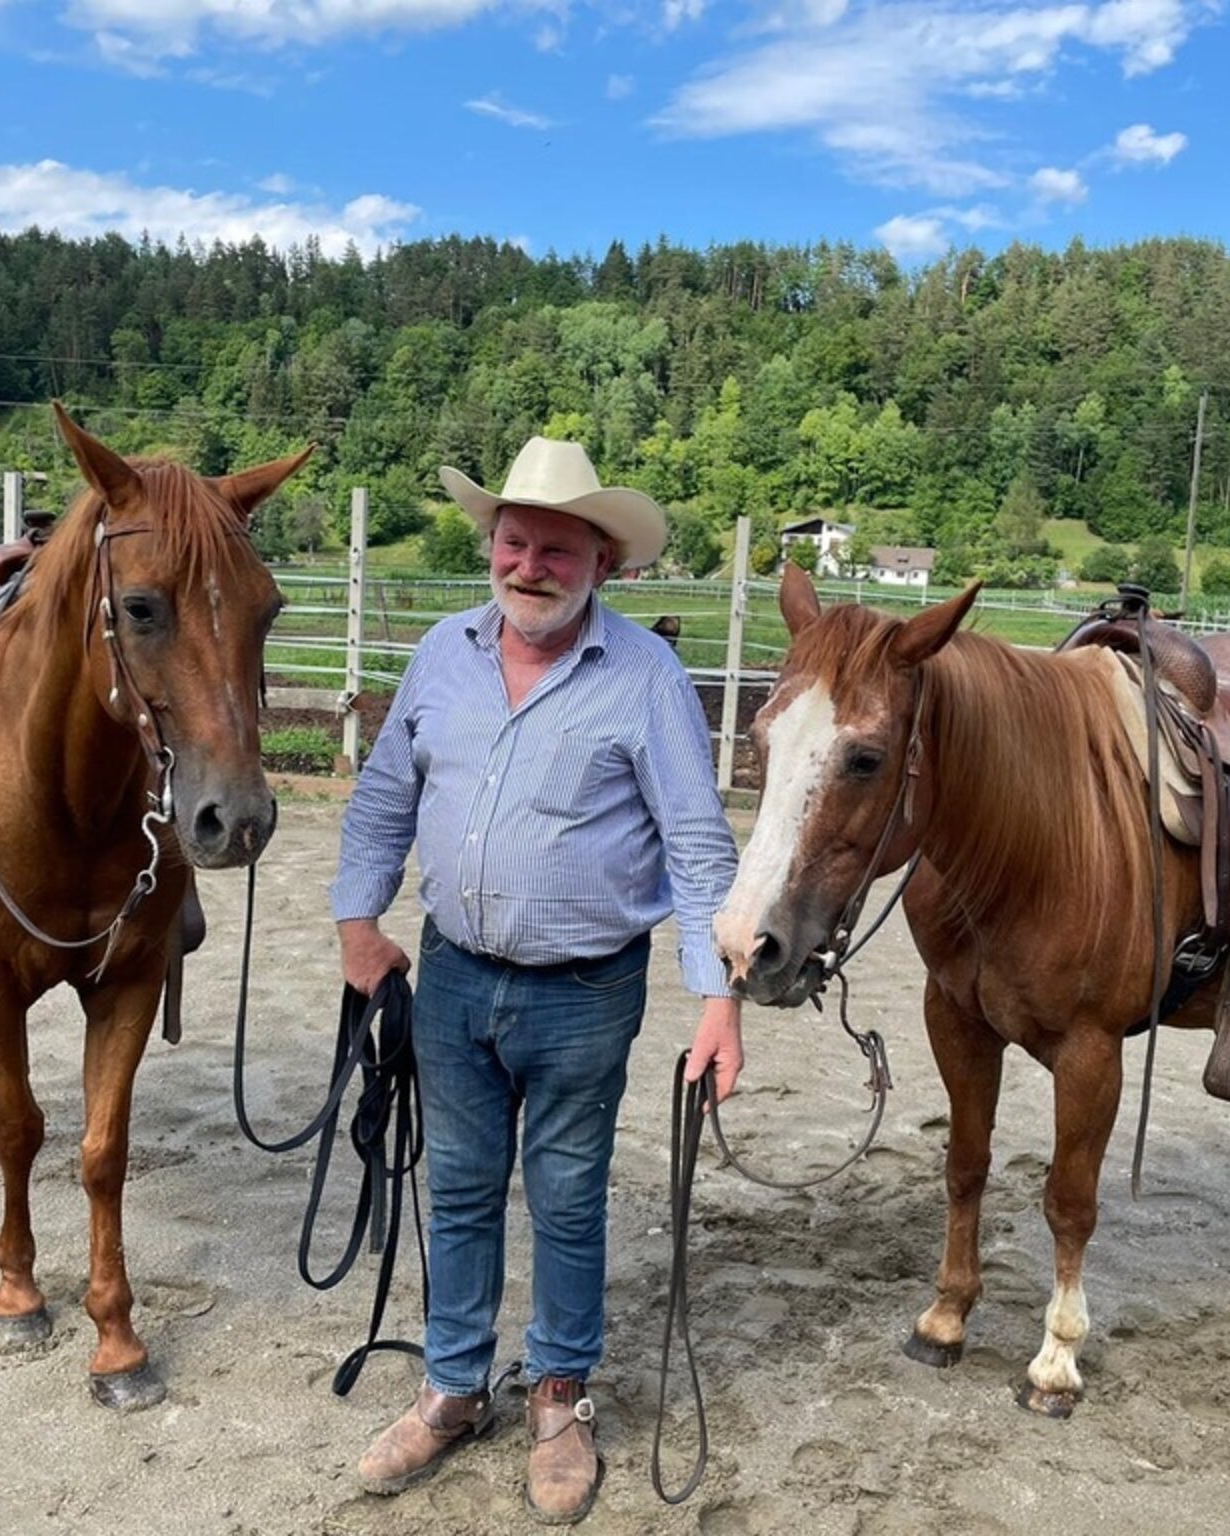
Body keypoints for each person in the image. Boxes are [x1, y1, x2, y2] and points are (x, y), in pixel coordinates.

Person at [331, 436, 743, 1524]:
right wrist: (354, 924)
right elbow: (382, 798)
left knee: (565, 1198)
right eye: (514, 542)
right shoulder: (440, 654)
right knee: (457, 1187)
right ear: (492, 545)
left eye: (557, 549)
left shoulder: (646, 678)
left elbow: (698, 848)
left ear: (602, 562)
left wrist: (718, 1002)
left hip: (584, 991)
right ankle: (455, 1387)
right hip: (455, 977)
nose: (530, 566)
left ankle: (558, 1396)